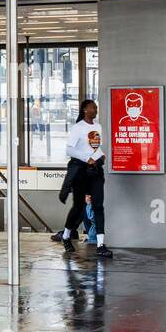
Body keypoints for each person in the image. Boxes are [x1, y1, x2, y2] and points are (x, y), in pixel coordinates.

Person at [58, 98, 112, 258]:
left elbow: (95, 147)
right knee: (79, 207)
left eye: (96, 107)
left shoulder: (98, 127)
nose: (95, 110)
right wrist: (85, 158)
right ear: (84, 110)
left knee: (98, 206)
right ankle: (66, 235)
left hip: (95, 171)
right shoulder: (78, 128)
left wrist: (101, 156)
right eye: (92, 107)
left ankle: (101, 245)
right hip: (81, 172)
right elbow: (69, 150)